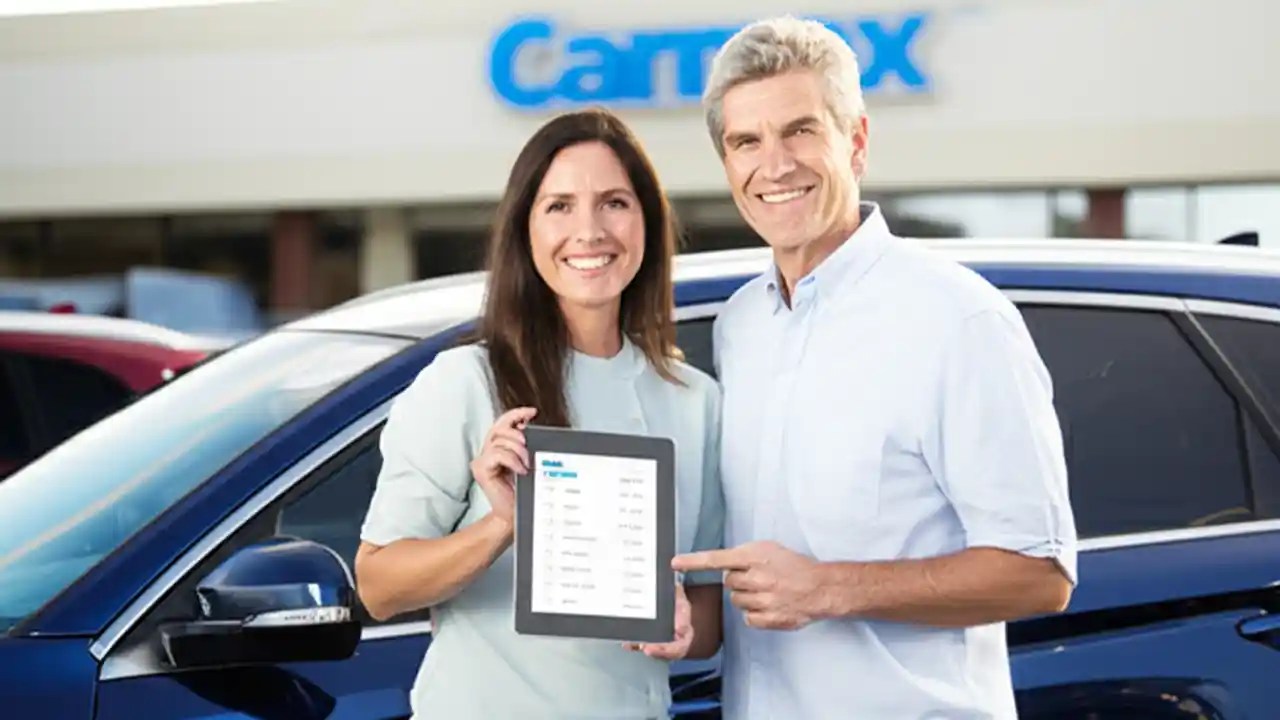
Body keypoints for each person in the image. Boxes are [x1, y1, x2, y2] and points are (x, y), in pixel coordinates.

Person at [671, 16, 1079, 720]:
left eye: (800, 130)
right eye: (747, 142)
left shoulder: (957, 320)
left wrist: (828, 588)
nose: (775, 165)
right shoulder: (739, 325)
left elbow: (1039, 575)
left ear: (855, 141)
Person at [355, 108, 725, 719]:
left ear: (648, 224)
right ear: (525, 229)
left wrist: (684, 628)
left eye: (614, 203)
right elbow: (379, 586)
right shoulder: (466, 382)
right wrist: (501, 526)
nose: (589, 231)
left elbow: (707, 612)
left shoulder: (694, 400)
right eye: (559, 206)